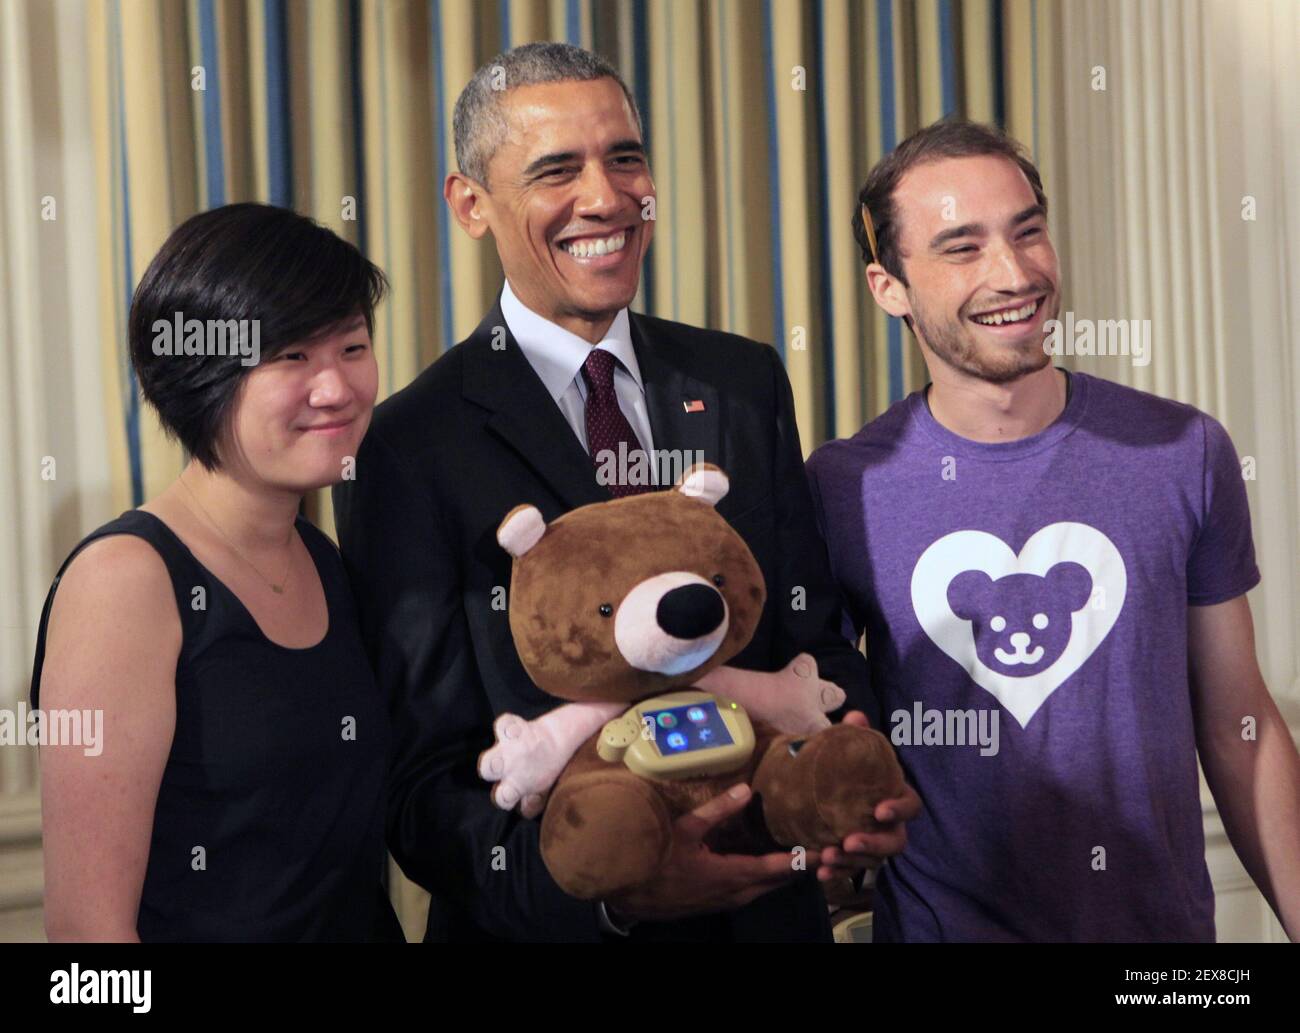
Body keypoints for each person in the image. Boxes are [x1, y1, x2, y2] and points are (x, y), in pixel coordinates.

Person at [333, 41, 919, 943]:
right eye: (556, 169)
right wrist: (606, 893)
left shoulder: (742, 380)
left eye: (626, 158)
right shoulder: (408, 445)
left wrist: (839, 793)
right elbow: (422, 784)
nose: (606, 198)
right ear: (471, 204)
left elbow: (814, 646)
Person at [806, 117, 1300, 941]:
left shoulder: (1182, 449)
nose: (1014, 272)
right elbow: (828, 724)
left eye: (1028, 230)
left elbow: (1239, 724)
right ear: (888, 286)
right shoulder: (842, 484)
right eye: (962, 246)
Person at [33, 203, 403, 942]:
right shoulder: (126, 580)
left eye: (352, 346)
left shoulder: (325, 558)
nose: (335, 387)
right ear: (197, 370)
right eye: (291, 356)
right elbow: (85, 932)